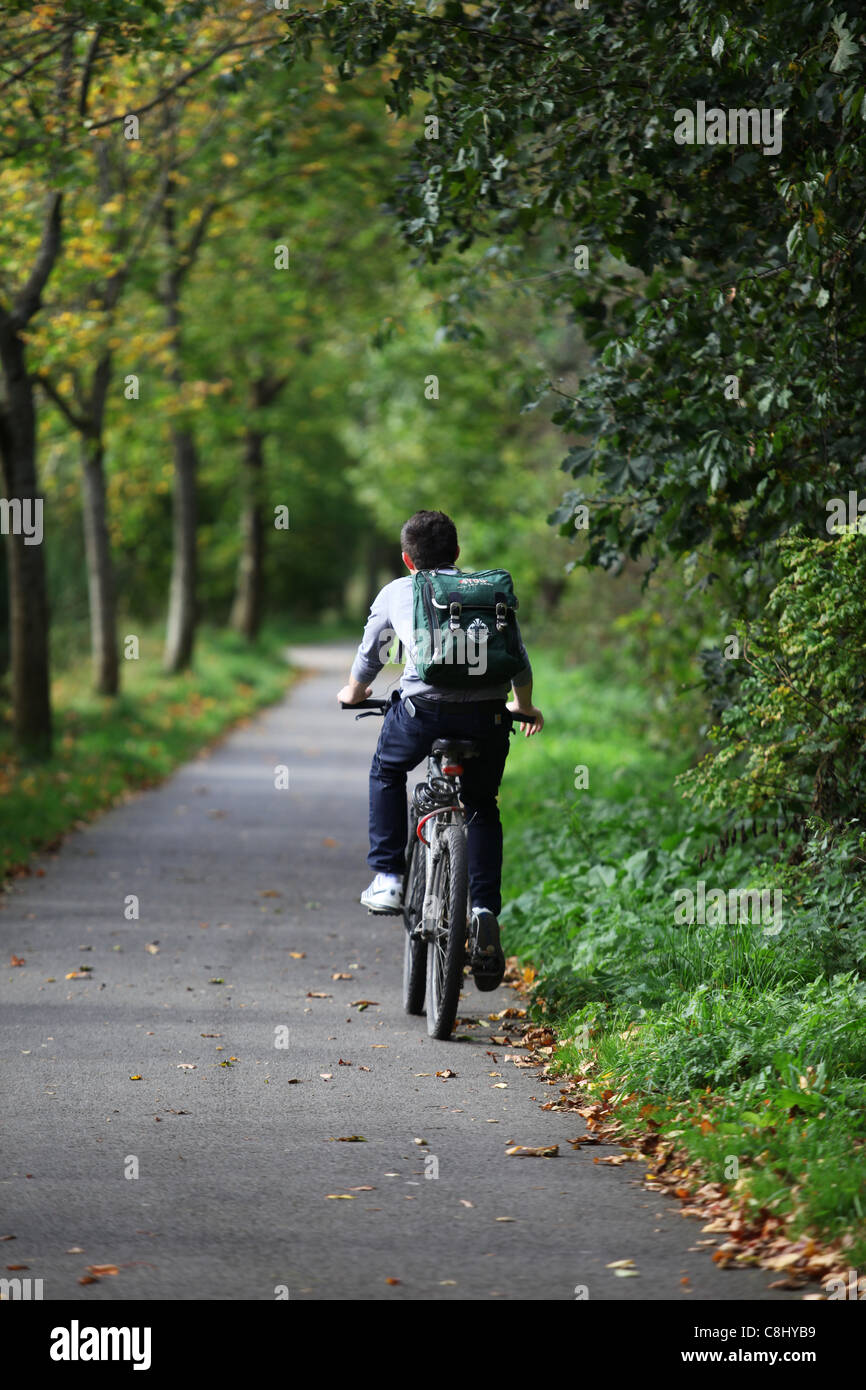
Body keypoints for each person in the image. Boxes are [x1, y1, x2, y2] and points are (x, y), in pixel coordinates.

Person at [337, 510, 543, 991]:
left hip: (422, 714)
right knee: (482, 805)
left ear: (408, 559)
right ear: (457, 555)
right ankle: (483, 909)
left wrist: (353, 691)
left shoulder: (397, 591)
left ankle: (388, 877)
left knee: (387, 773)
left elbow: (374, 652)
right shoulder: (486, 591)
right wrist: (525, 706)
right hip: (489, 717)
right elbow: (517, 654)